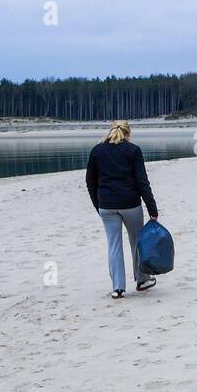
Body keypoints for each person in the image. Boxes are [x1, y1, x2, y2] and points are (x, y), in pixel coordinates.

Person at [86, 120, 159, 298]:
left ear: (110, 131)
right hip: (130, 204)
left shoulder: (97, 150)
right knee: (136, 241)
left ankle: (118, 288)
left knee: (114, 246)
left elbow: (90, 182)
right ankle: (142, 280)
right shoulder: (133, 150)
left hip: (106, 205)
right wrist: (152, 208)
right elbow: (142, 182)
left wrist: (98, 205)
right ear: (128, 133)